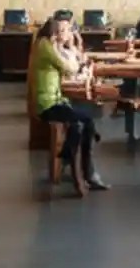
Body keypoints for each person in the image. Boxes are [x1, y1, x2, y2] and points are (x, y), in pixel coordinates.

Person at [30, 17, 108, 195]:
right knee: (84, 122)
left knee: (86, 120)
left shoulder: (46, 45)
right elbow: (70, 68)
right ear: (54, 32)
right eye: (63, 30)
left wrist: (71, 47)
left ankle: (75, 160)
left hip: (56, 100)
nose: (66, 33)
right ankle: (76, 162)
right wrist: (72, 46)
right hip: (48, 104)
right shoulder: (45, 46)